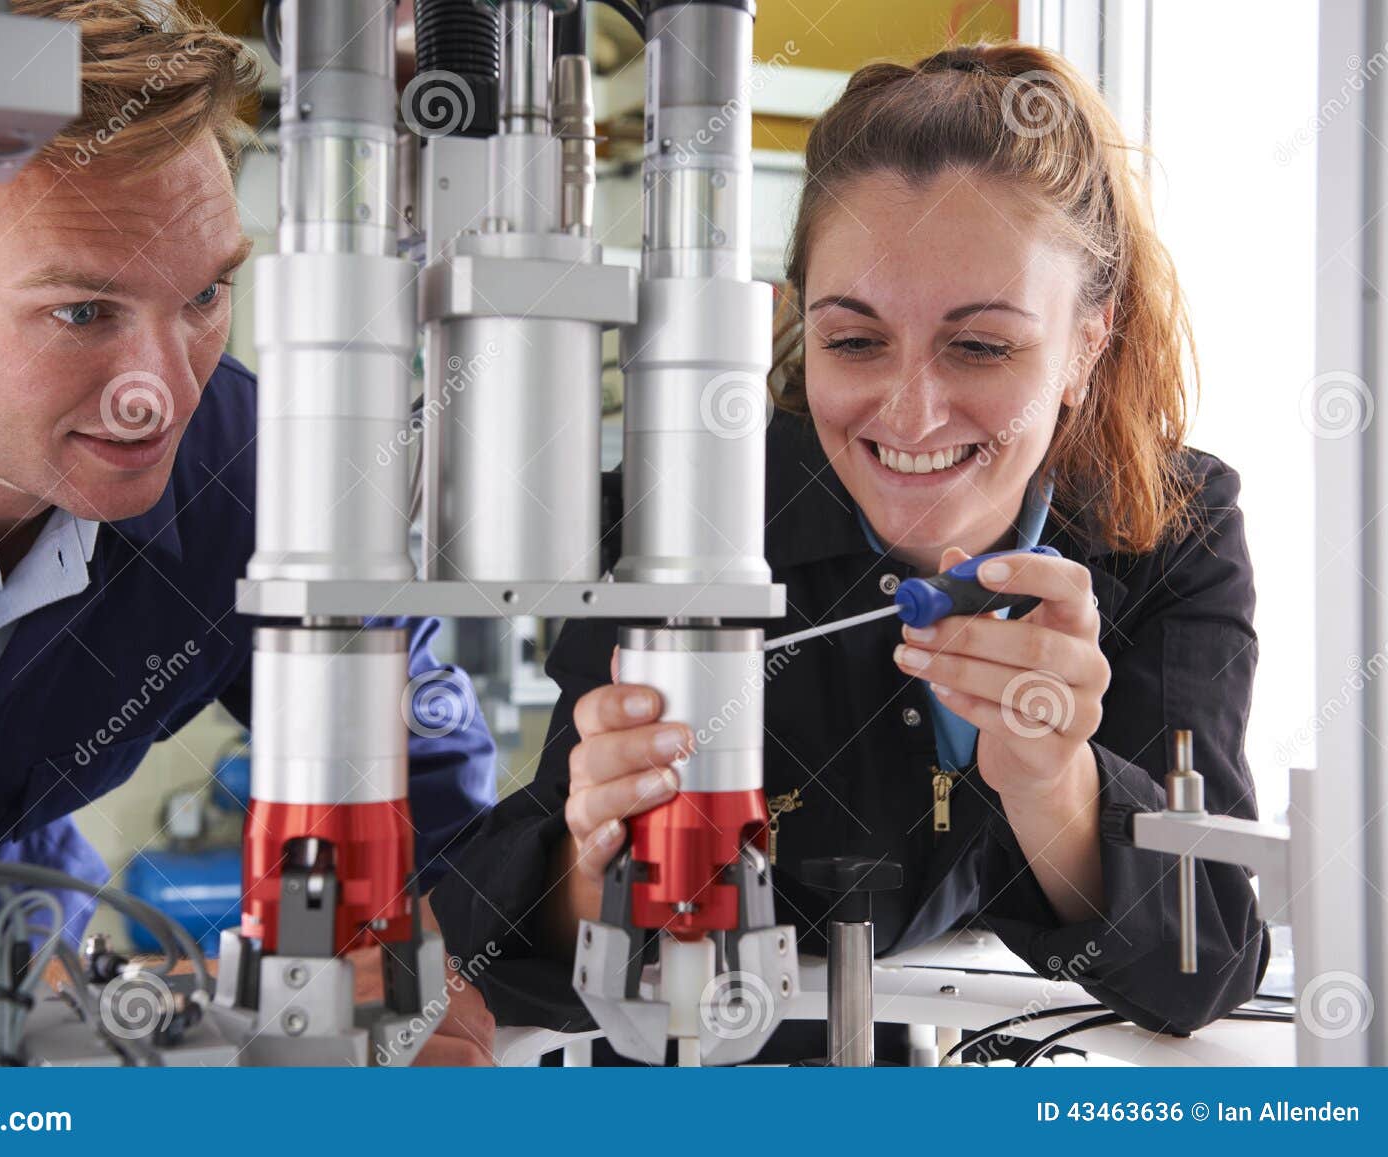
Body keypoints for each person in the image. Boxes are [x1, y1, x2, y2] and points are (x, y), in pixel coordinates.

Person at [432, 42, 1269, 1052]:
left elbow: (1203, 960)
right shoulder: (688, 514)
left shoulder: (1168, 527)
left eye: (980, 345)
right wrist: (591, 850)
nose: (910, 412)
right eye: (855, 340)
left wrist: (1053, 786)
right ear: (793, 326)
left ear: (1087, 342)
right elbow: (508, 941)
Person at [0, 0, 495, 1065]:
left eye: (208, 293)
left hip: (24, 971)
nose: (162, 394)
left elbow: (419, 769)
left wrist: (425, 951)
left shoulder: (244, 464)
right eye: (84, 311)